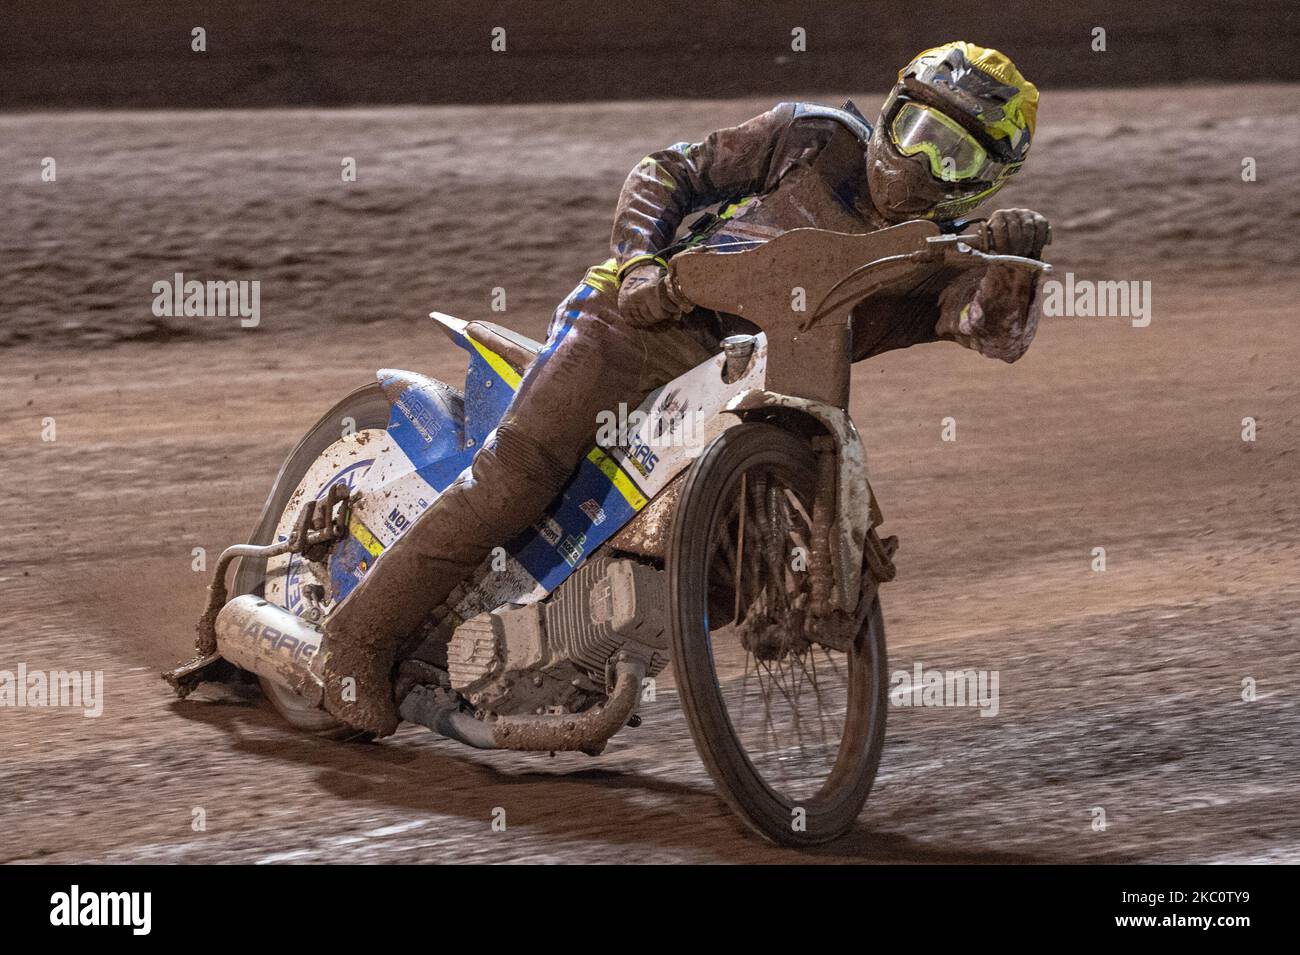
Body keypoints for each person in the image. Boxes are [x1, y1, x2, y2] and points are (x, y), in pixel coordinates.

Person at [321, 40, 1051, 735]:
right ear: (891, 108)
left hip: (763, 384)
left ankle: (576, 651)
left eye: (953, 153)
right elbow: (668, 170)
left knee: (734, 574)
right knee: (513, 480)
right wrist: (639, 263)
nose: (923, 157)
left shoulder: (946, 258)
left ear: (985, 181)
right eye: (917, 127)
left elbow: (990, 331)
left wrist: (1013, 265)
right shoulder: (813, 136)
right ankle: (353, 644)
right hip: (642, 325)